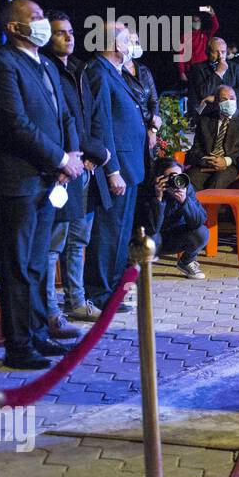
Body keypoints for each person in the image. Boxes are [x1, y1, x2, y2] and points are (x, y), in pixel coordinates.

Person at [0, 0, 86, 370]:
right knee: (19, 265)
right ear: (13, 27)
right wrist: (59, 159)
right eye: (36, 18)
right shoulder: (0, 64)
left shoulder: (47, 65)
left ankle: (39, 333)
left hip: (48, 179)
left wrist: (70, 157)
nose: (42, 24)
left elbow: (65, 116)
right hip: (19, 182)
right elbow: (15, 124)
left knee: (38, 265)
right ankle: (19, 345)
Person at [40, 11, 107, 334]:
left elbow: (92, 118)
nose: (68, 37)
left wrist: (93, 156)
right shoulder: (45, 69)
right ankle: (50, 309)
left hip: (85, 167)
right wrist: (74, 157)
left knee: (79, 239)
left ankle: (77, 301)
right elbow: (56, 122)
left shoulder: (80, 69)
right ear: (46, 37)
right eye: (60, 33)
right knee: (54, 243)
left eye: (70, 32)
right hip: (63, 170)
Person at [85, 20, 149, 314]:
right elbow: (102, 125)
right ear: (115, 43)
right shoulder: (99, 72)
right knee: (108, 234)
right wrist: (112, 170)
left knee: (120, 233)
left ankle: (113, 290)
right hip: (117, 167)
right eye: (129, 40)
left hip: (130, 165)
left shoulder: (116, 71)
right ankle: (100, 293)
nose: (133, 44)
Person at [143, 157, 210, 279]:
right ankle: (141, 266)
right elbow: (152, 228)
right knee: (151, 236)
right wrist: (158, 199)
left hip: (175, 237)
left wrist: (184, 201)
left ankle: (186, 262)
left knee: (202, 232)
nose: (176, 181)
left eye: (178, 176)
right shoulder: (148, 190)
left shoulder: (186, 188)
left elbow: (199, 221)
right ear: (159, 178)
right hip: (153, 240)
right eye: (170, 177)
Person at [185, 85, 239, 190]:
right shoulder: (205, 120)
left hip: (230, 165)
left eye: (232, 98)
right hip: (206, 164)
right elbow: (195, 149)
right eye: (224, 99)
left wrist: (226, 161)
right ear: (217, 102)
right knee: (188, 183)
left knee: (216, 183)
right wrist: (206, 160)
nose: (229, 102)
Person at [187, 36, 239, 120]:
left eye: (223, 52)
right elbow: (203, 93)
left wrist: (217, 98)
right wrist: (218, 73)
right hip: (210, 115)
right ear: (207, 52)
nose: (220, 56)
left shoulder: (235, 67)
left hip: (233, 114)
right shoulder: (197, 68)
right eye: (216, 52)